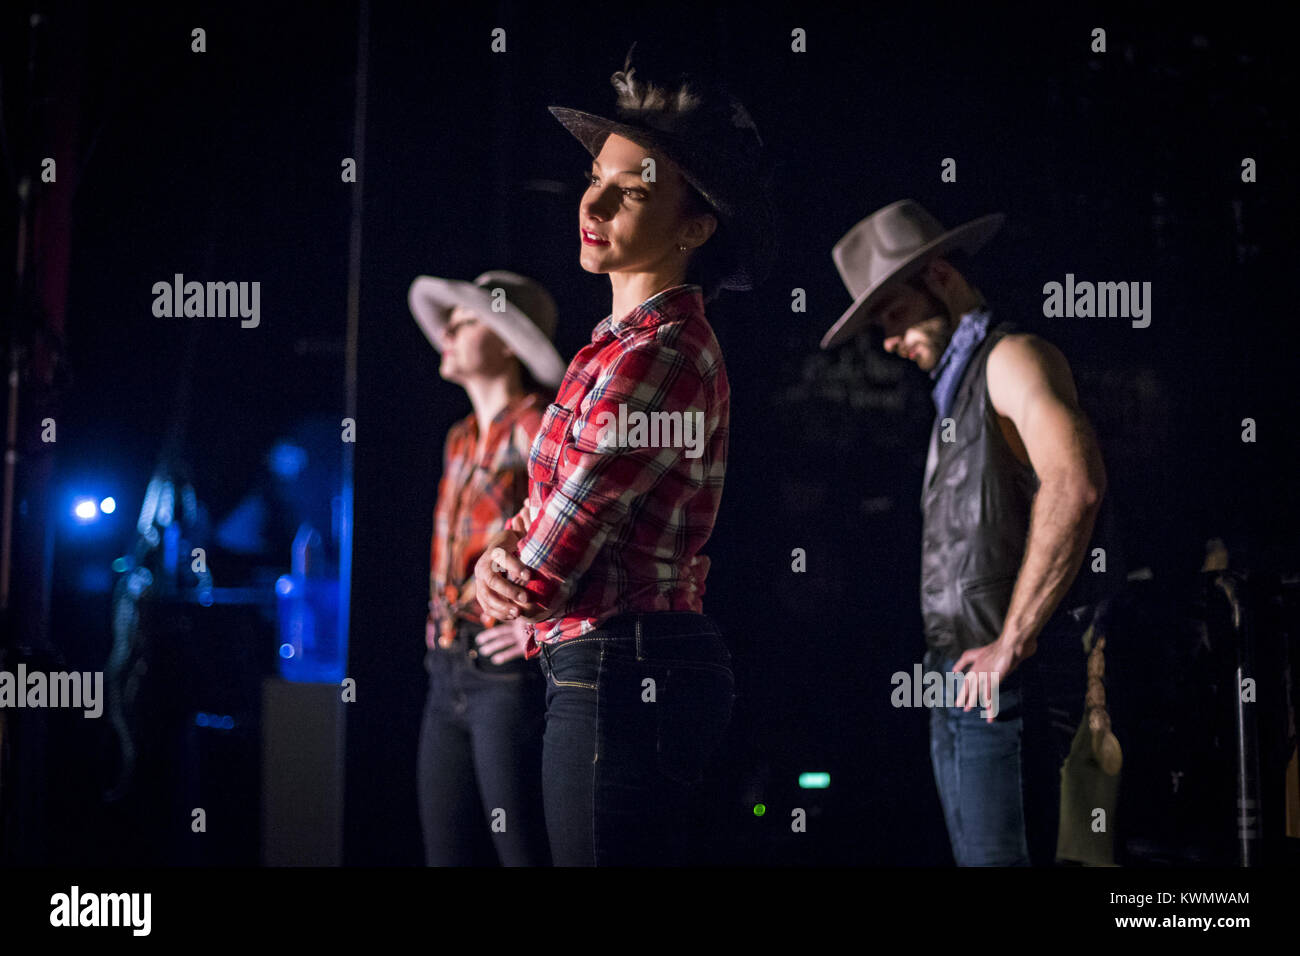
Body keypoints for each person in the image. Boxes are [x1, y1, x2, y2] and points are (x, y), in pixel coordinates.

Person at [472, 45, 774, 866]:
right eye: (593, 178)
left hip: (626, 661)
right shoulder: (615, 347)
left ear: (695, 227)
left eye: (631, 190)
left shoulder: (660, 350)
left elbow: (554, 556)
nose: (595, 201)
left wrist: (505, 577)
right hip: (613, 658)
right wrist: (495, 558)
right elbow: (541, 514)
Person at [820, 200, 1107, 865]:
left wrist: (1014, 639)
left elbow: (1075, 484)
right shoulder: (957, 387)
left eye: (893, 314)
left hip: (1007, 677)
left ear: (941, 278)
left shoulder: (1012, 357)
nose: (889, 342)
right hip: (958, 675)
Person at [408, 269, 566, 866]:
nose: (447, 333)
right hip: (445, 667)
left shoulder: (537, 426)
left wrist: (536, 627)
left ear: (506, 342)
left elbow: (578, 530)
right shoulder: (460, 437)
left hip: (503, 676)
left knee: (521, 852)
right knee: (446, 853)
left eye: (465, 322)